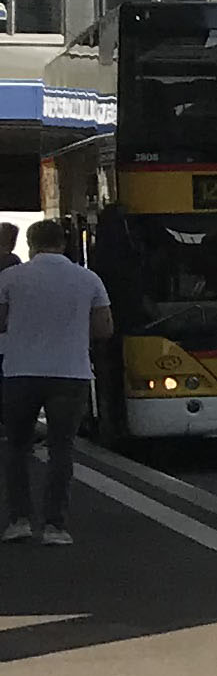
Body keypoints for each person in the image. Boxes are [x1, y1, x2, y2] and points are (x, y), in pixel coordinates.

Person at [0, 216, 114, 548]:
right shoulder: (88, 279)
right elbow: (105, 328)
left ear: (31, 245)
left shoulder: (10, 278)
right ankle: (55, 526)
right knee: (61, 448)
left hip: (21, 371)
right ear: (63, 243)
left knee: (17, 447)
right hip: (71, 372)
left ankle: (19, 520)